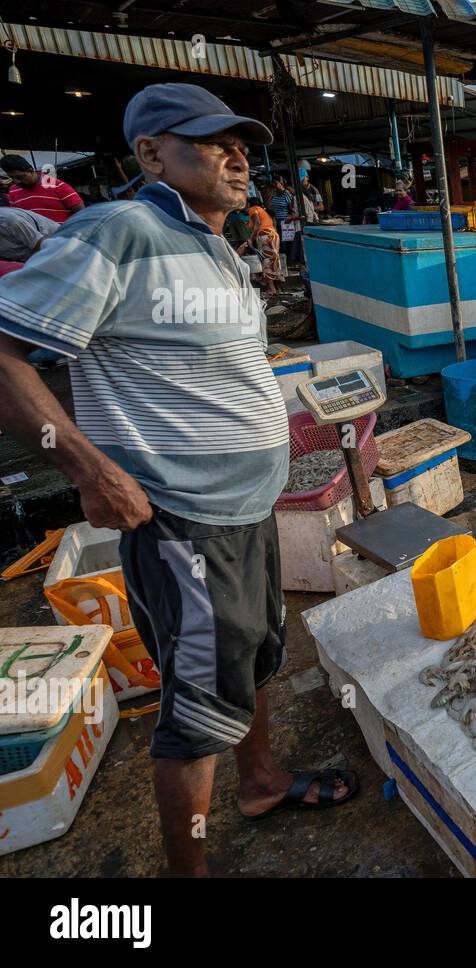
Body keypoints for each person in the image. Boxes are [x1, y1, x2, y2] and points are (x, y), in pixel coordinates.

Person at [0, 82, 358, 877]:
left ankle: (259, 783)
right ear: (152, 154)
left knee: (255, 657)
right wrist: (90, 470)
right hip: (185, 522)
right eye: (210, 142)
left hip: (248, 508)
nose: (238, 157)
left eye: (242, 144)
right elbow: (4, 351)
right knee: (197, 711)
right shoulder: (117, 230)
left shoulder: (219, 247)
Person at [1, 155, 85, 223]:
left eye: (19, 177)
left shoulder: (58, 185)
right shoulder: (13, 191)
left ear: (31, 171)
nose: (16, 181)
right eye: (12, 177)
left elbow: (82, 214)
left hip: (63, 239)